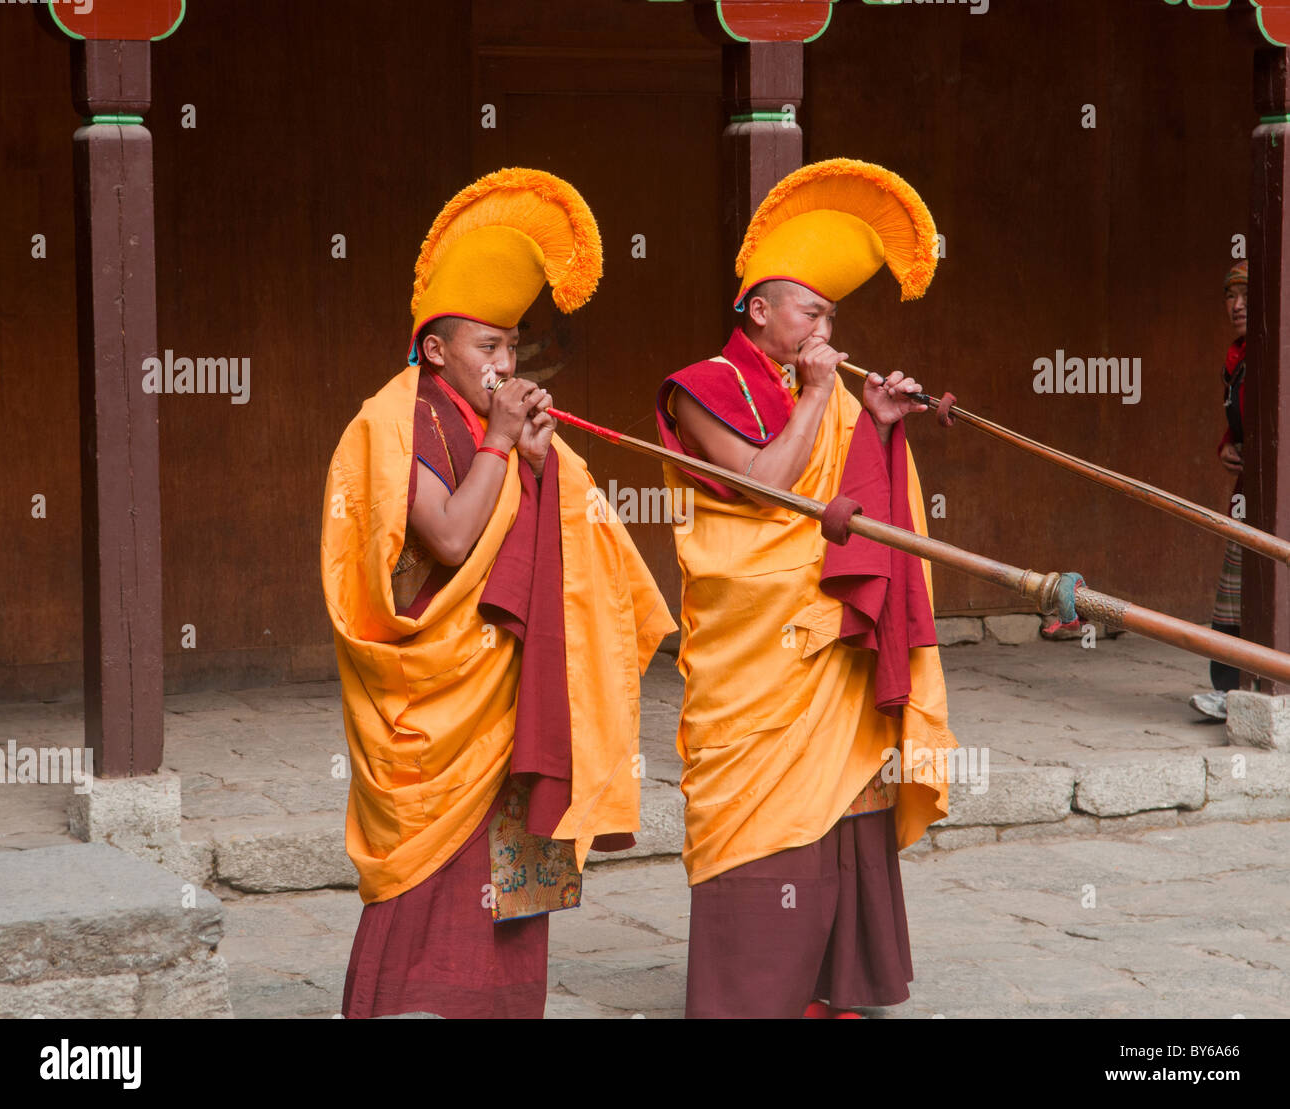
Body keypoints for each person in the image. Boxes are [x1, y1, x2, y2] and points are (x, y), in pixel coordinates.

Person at [322, 168, 675, 1018]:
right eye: (488, 347)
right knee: (430, 883)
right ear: (435, 348)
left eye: (513, 348)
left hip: (514, 691)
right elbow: (445, 535)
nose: (505, 365)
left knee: (502, 881)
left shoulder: (495, 424)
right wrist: (504, 443)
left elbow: (581, 538)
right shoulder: (390, 419)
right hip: (438, 695)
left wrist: (544, 462)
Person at [655, 158, 957, 1019]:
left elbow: (857, 500)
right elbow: (764, 487)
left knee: (846, 791)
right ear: (758, 308)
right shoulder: (700, 388)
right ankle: (757, 992)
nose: (827, 328)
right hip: (759, 645)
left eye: (833, 315)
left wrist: (881, 424)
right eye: (813, 310)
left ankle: (835, 982)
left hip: (830, 637)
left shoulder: (816, 391)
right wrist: (825, 392)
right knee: (762, 803)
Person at [1190, 261, 1248, 721]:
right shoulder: (1238, 358)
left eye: (1247, 294)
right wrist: (1227, 446)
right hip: (1251, 495)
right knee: (1236, 590)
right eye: (1230, 295)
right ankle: (1230, 691)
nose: (1237, 305)